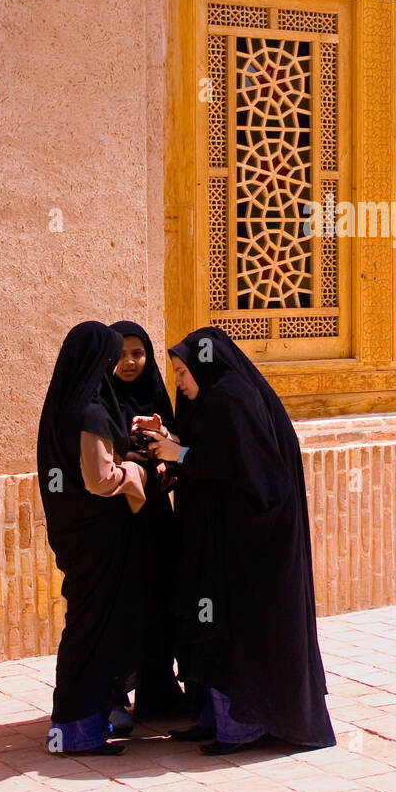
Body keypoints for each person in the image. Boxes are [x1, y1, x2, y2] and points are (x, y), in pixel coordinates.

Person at [136, 327, 336, 755]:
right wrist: (172, 444)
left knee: (231, 630)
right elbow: (212, 453)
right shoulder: (214, 398)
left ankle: (242, 727)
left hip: (246, 549)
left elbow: (246, 469)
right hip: (217, 545)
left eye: (184, 372)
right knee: (206, 624)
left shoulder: (233, 398)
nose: (180, 383)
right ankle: (213, 720)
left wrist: (183, 456)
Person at [36, 321, 147, 756]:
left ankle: (74, 724)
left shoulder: (61, 408)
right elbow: (100, 480)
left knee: (83, 625)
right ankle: (78, 728)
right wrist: (135, 473)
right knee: (95, 629)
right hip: (99, 537)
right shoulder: (91, 412)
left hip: (74, 535)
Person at [109, 320, 185, 720]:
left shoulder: (154, 395)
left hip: (155, 520)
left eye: (137, 353)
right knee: (124, 606)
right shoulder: (101, 401)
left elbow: (176, 455)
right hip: (119, 524)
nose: (130, 362)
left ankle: (158, 690)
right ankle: (114, 695)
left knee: (159, 600)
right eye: (121, 354)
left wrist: (163, 451)